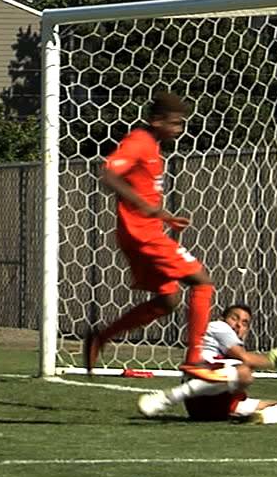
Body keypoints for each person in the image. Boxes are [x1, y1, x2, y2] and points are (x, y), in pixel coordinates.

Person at [83, 92, 216, 375]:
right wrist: (145, 207)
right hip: (142, 235)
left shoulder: (152, 147)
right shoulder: (139, 142)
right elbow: (108, 174)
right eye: (175, 123)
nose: (179, 129)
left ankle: (101, 337)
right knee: (202, 282)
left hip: (143, 232)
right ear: (156, 120)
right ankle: (194, 359)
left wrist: (163, 216)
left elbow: (143, 190)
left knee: (168, 301)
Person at [136, 304, 277, 424]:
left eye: (244, 323)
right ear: (223, 319)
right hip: (200, 385)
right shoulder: (218, 327)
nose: (238, 325)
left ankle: (260, 418)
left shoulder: (234, 351)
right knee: (244, 373)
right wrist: (273, 361)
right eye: (234, 318)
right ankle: (166, 398)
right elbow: (246, 359)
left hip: (221, 407)